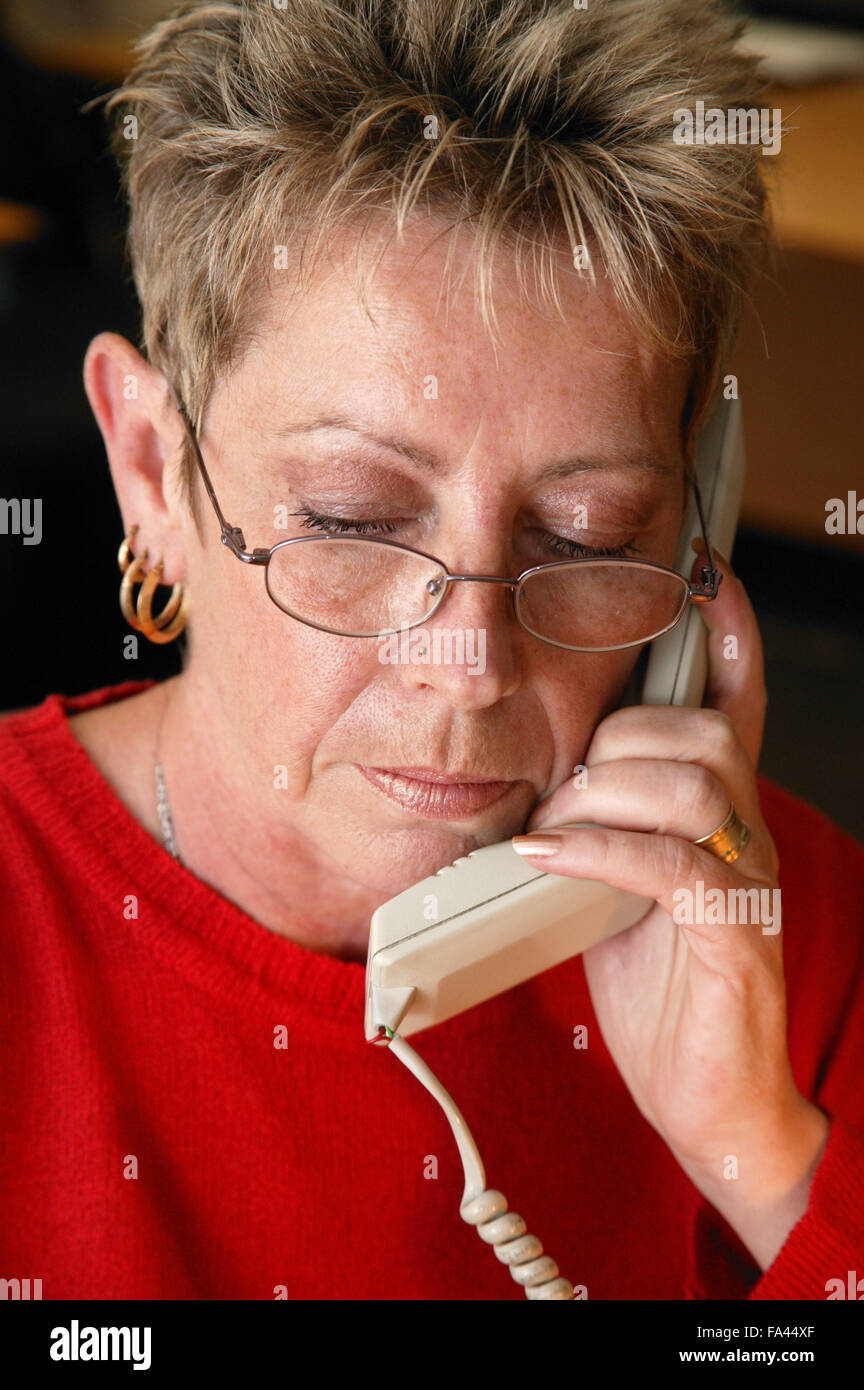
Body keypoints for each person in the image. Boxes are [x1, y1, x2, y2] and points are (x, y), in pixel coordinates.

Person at [2, 0, 862, 1301]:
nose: (472, 660)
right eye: (354, 516)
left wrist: (758, 1151)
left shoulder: (787, 931)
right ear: (149, 470)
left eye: (586, 533)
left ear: (697, 525)